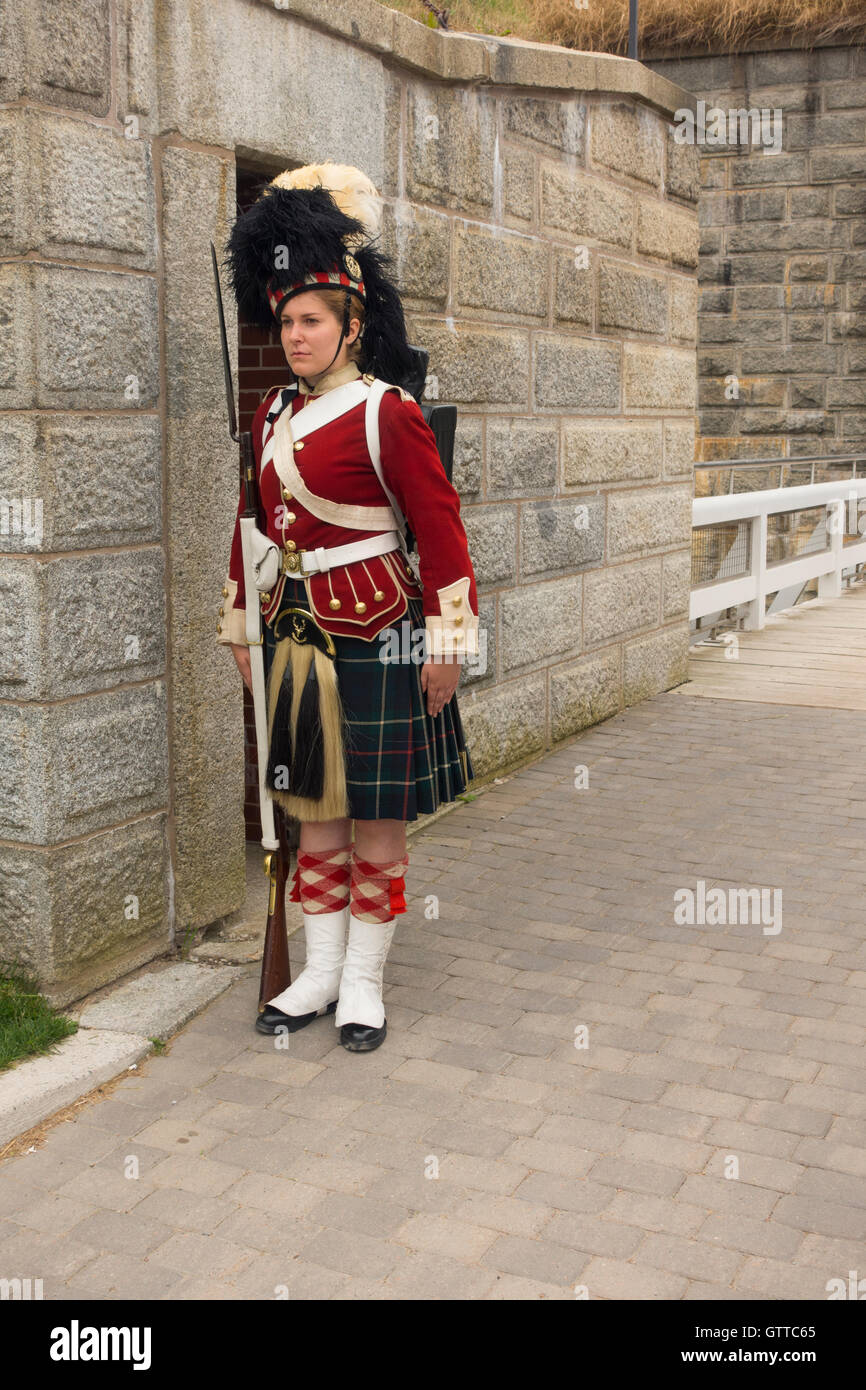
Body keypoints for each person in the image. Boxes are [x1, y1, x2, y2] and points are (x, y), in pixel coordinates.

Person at [216, 162, 479, 1053]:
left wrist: (447, 644)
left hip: (380, 635)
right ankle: (319, 972)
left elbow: (442, 535)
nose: (294, 336)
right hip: (291, 632)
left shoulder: (387, 414)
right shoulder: (268, 418)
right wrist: (237, 625)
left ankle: (363, 980)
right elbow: (250, 520)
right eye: (286, 322)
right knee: (312, 814)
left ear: (350, 326)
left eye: (311, 321)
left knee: (374, 817)